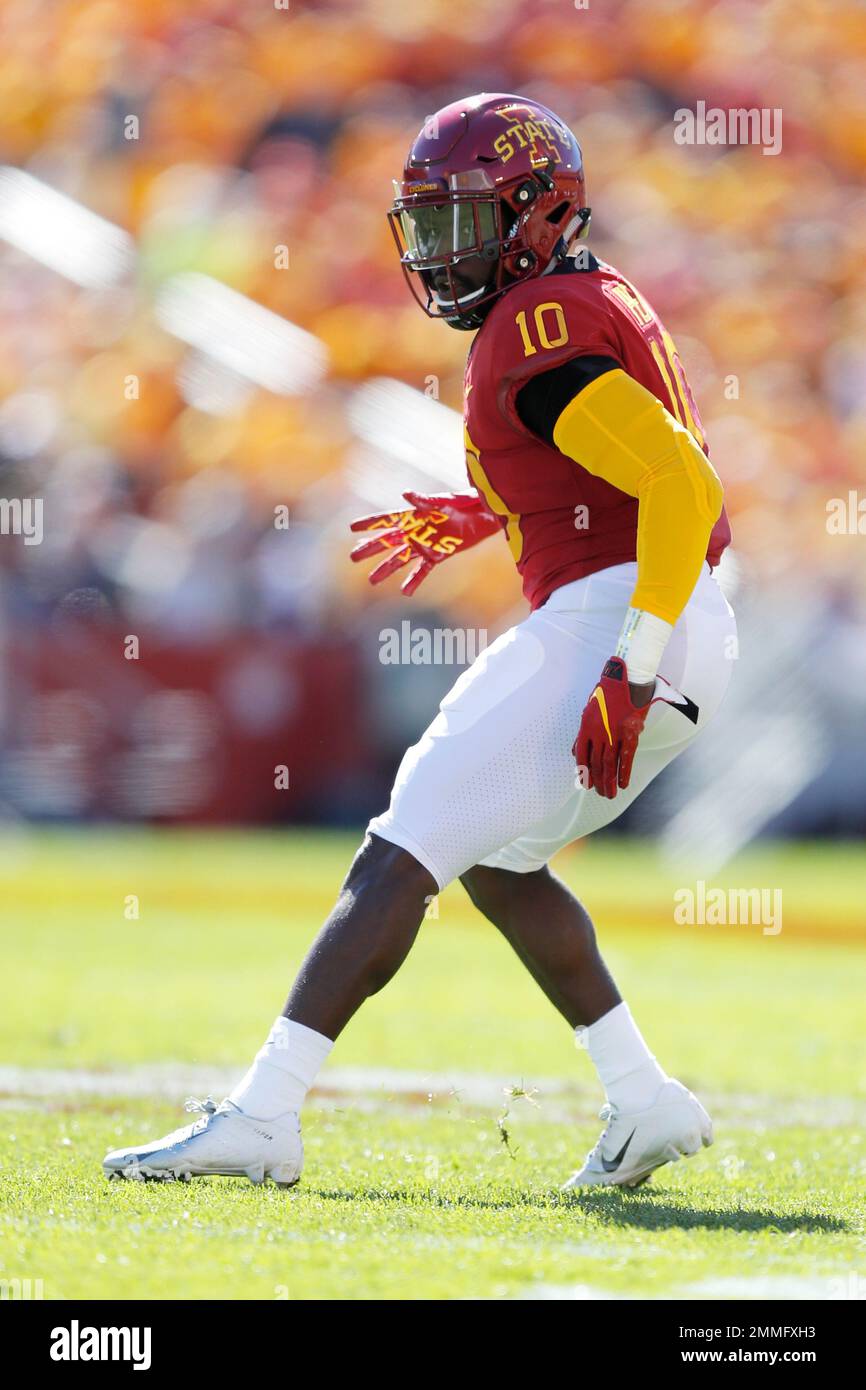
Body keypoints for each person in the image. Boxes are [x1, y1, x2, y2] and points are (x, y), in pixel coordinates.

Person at [103, 93, 736, 1191]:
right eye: (430, 226)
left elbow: (680, 481)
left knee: (398, 845)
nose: (443, 253)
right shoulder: (583, 294)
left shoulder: (530, 326)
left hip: (625, 618)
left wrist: (626, 669)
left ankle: (262, 1114)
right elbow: (614, 465)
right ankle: (643, 1100)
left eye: (465, 222)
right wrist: (496, 507)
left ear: (539, 212)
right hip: (680, 615)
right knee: (499, 861)